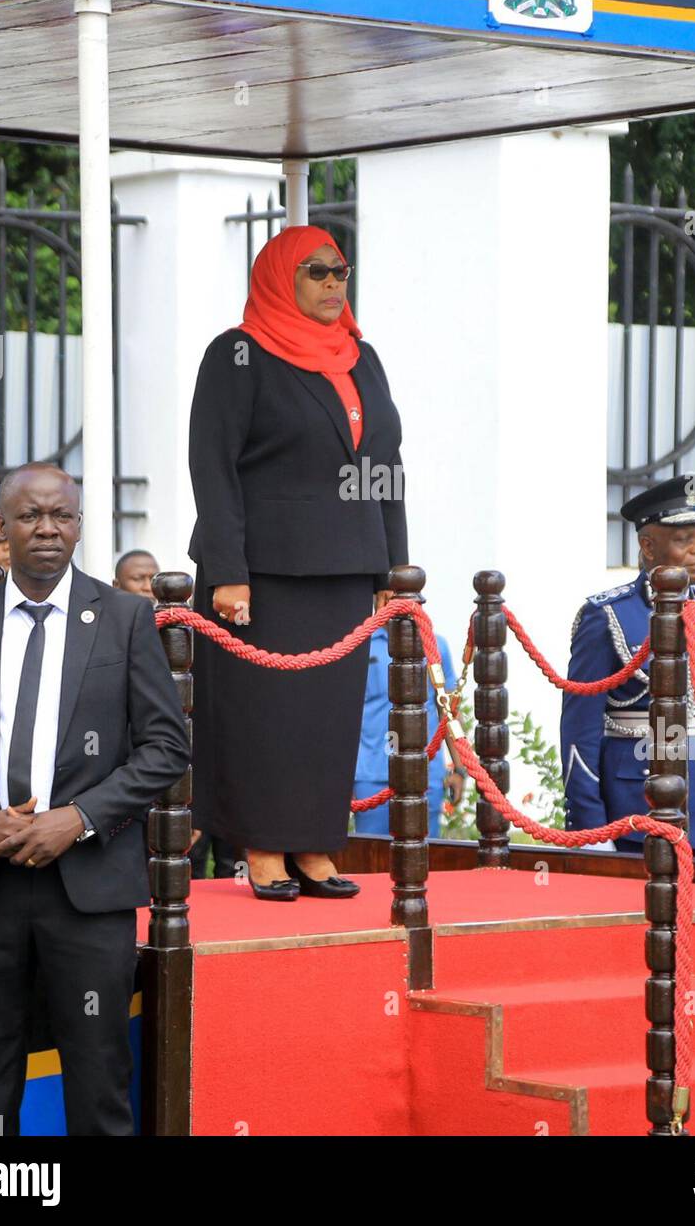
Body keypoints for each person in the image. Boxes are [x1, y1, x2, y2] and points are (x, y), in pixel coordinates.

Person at [0, 461, 190, 1135]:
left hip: (88, 891)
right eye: (30, 516)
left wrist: (81, 818)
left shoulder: (124, 619)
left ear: (79, 525)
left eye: (61, 515)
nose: (46, 529)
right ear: (0, 530)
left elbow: (165, 749)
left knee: (97, 1077)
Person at [187, 225, 408, 901]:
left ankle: (315, 848)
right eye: (315, 272)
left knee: (326, 720)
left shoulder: (360, 356)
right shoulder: (238, 354)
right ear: (281, 277)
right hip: (263, 575)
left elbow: (384, 466)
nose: (333, 282)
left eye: (340, 270)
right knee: (265, 716)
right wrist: (228, 570)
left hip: (344, 569)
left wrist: (391, 575)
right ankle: (260, 850)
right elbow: (212, 465)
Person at [560, 474, 695, 858]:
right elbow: (580, 728)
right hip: (636, 813)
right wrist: (592, 830)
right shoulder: (608, 615)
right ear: (648, 546)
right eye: (684, 540)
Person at [353, 629, 458, 837]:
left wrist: (460, 769)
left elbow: (449, 710)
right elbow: (343, 713)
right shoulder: (358, 644)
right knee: (374, 862)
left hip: (425, 775)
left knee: (425, 861)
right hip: (371, 777)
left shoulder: (435, 645)